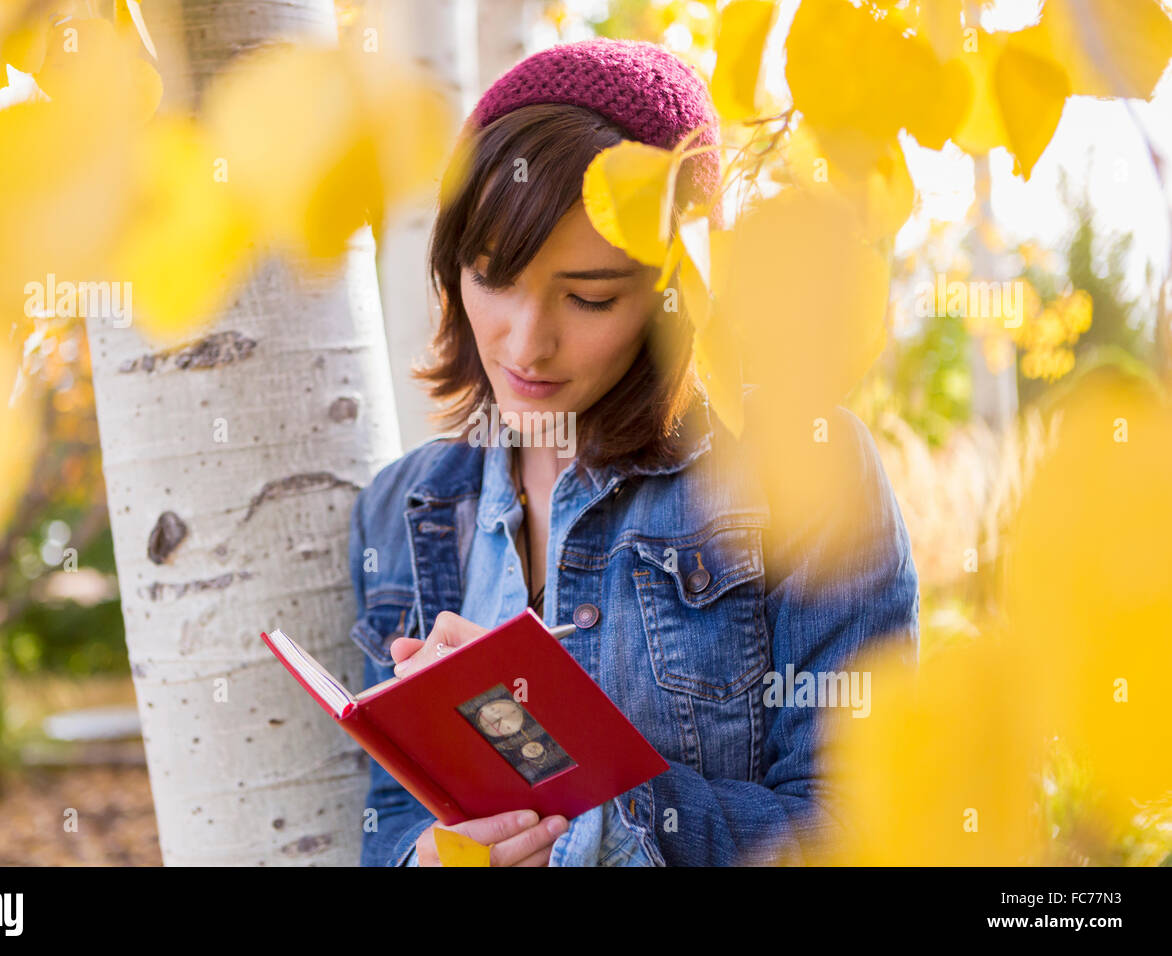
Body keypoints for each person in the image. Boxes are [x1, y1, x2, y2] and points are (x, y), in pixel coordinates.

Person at [346, 37, 919, 866]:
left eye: (588, 297)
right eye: (490, 278)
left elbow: (860, 832)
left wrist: (591, 808)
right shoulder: (401, 509)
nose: (526, 343)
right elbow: (387, 818)